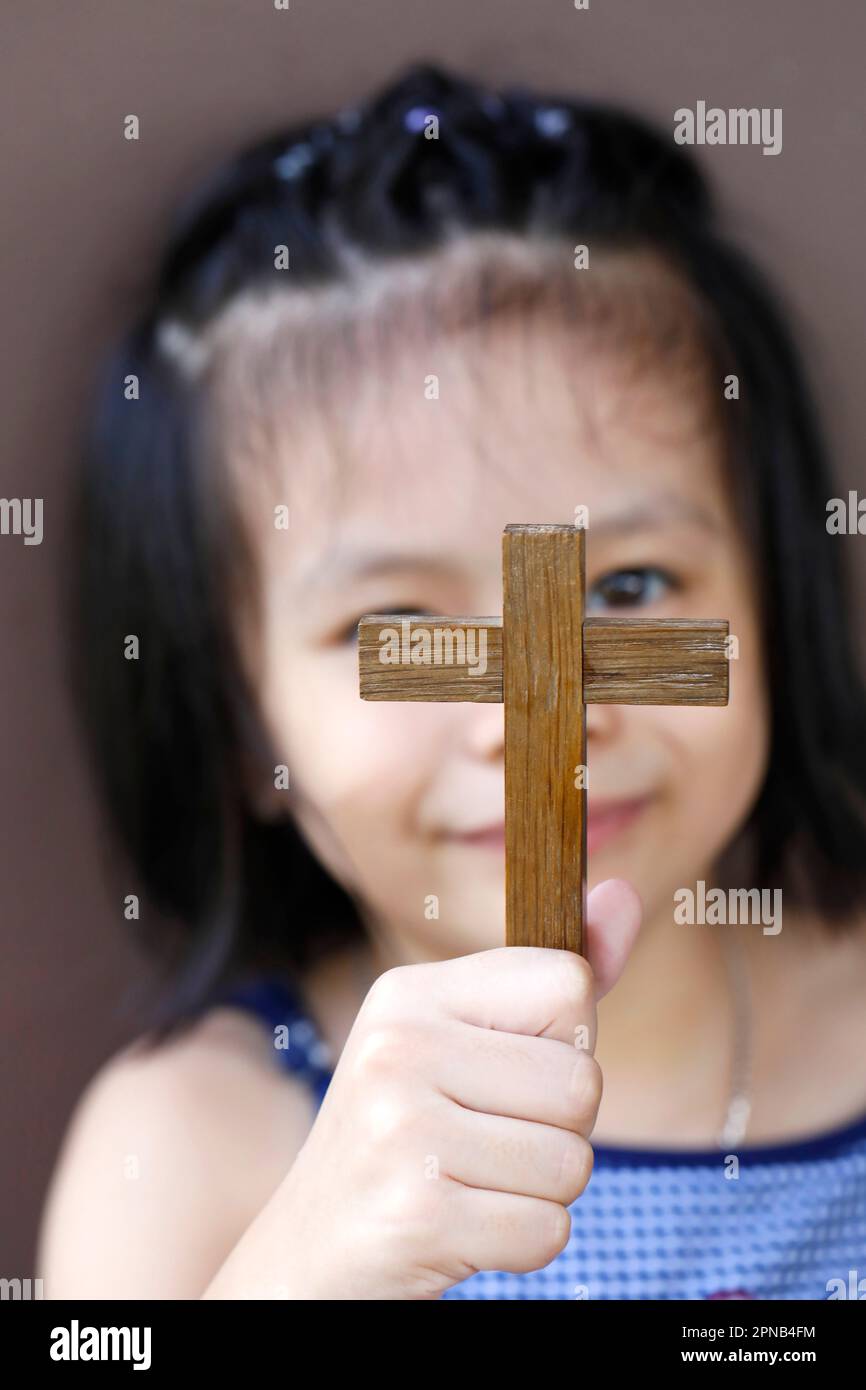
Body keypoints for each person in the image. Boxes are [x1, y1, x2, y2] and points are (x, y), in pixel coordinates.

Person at [38, 61, 866, 1300]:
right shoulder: (191, 1139)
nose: (543, 719)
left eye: (628, 588)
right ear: (239, 724)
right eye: (397, 627)